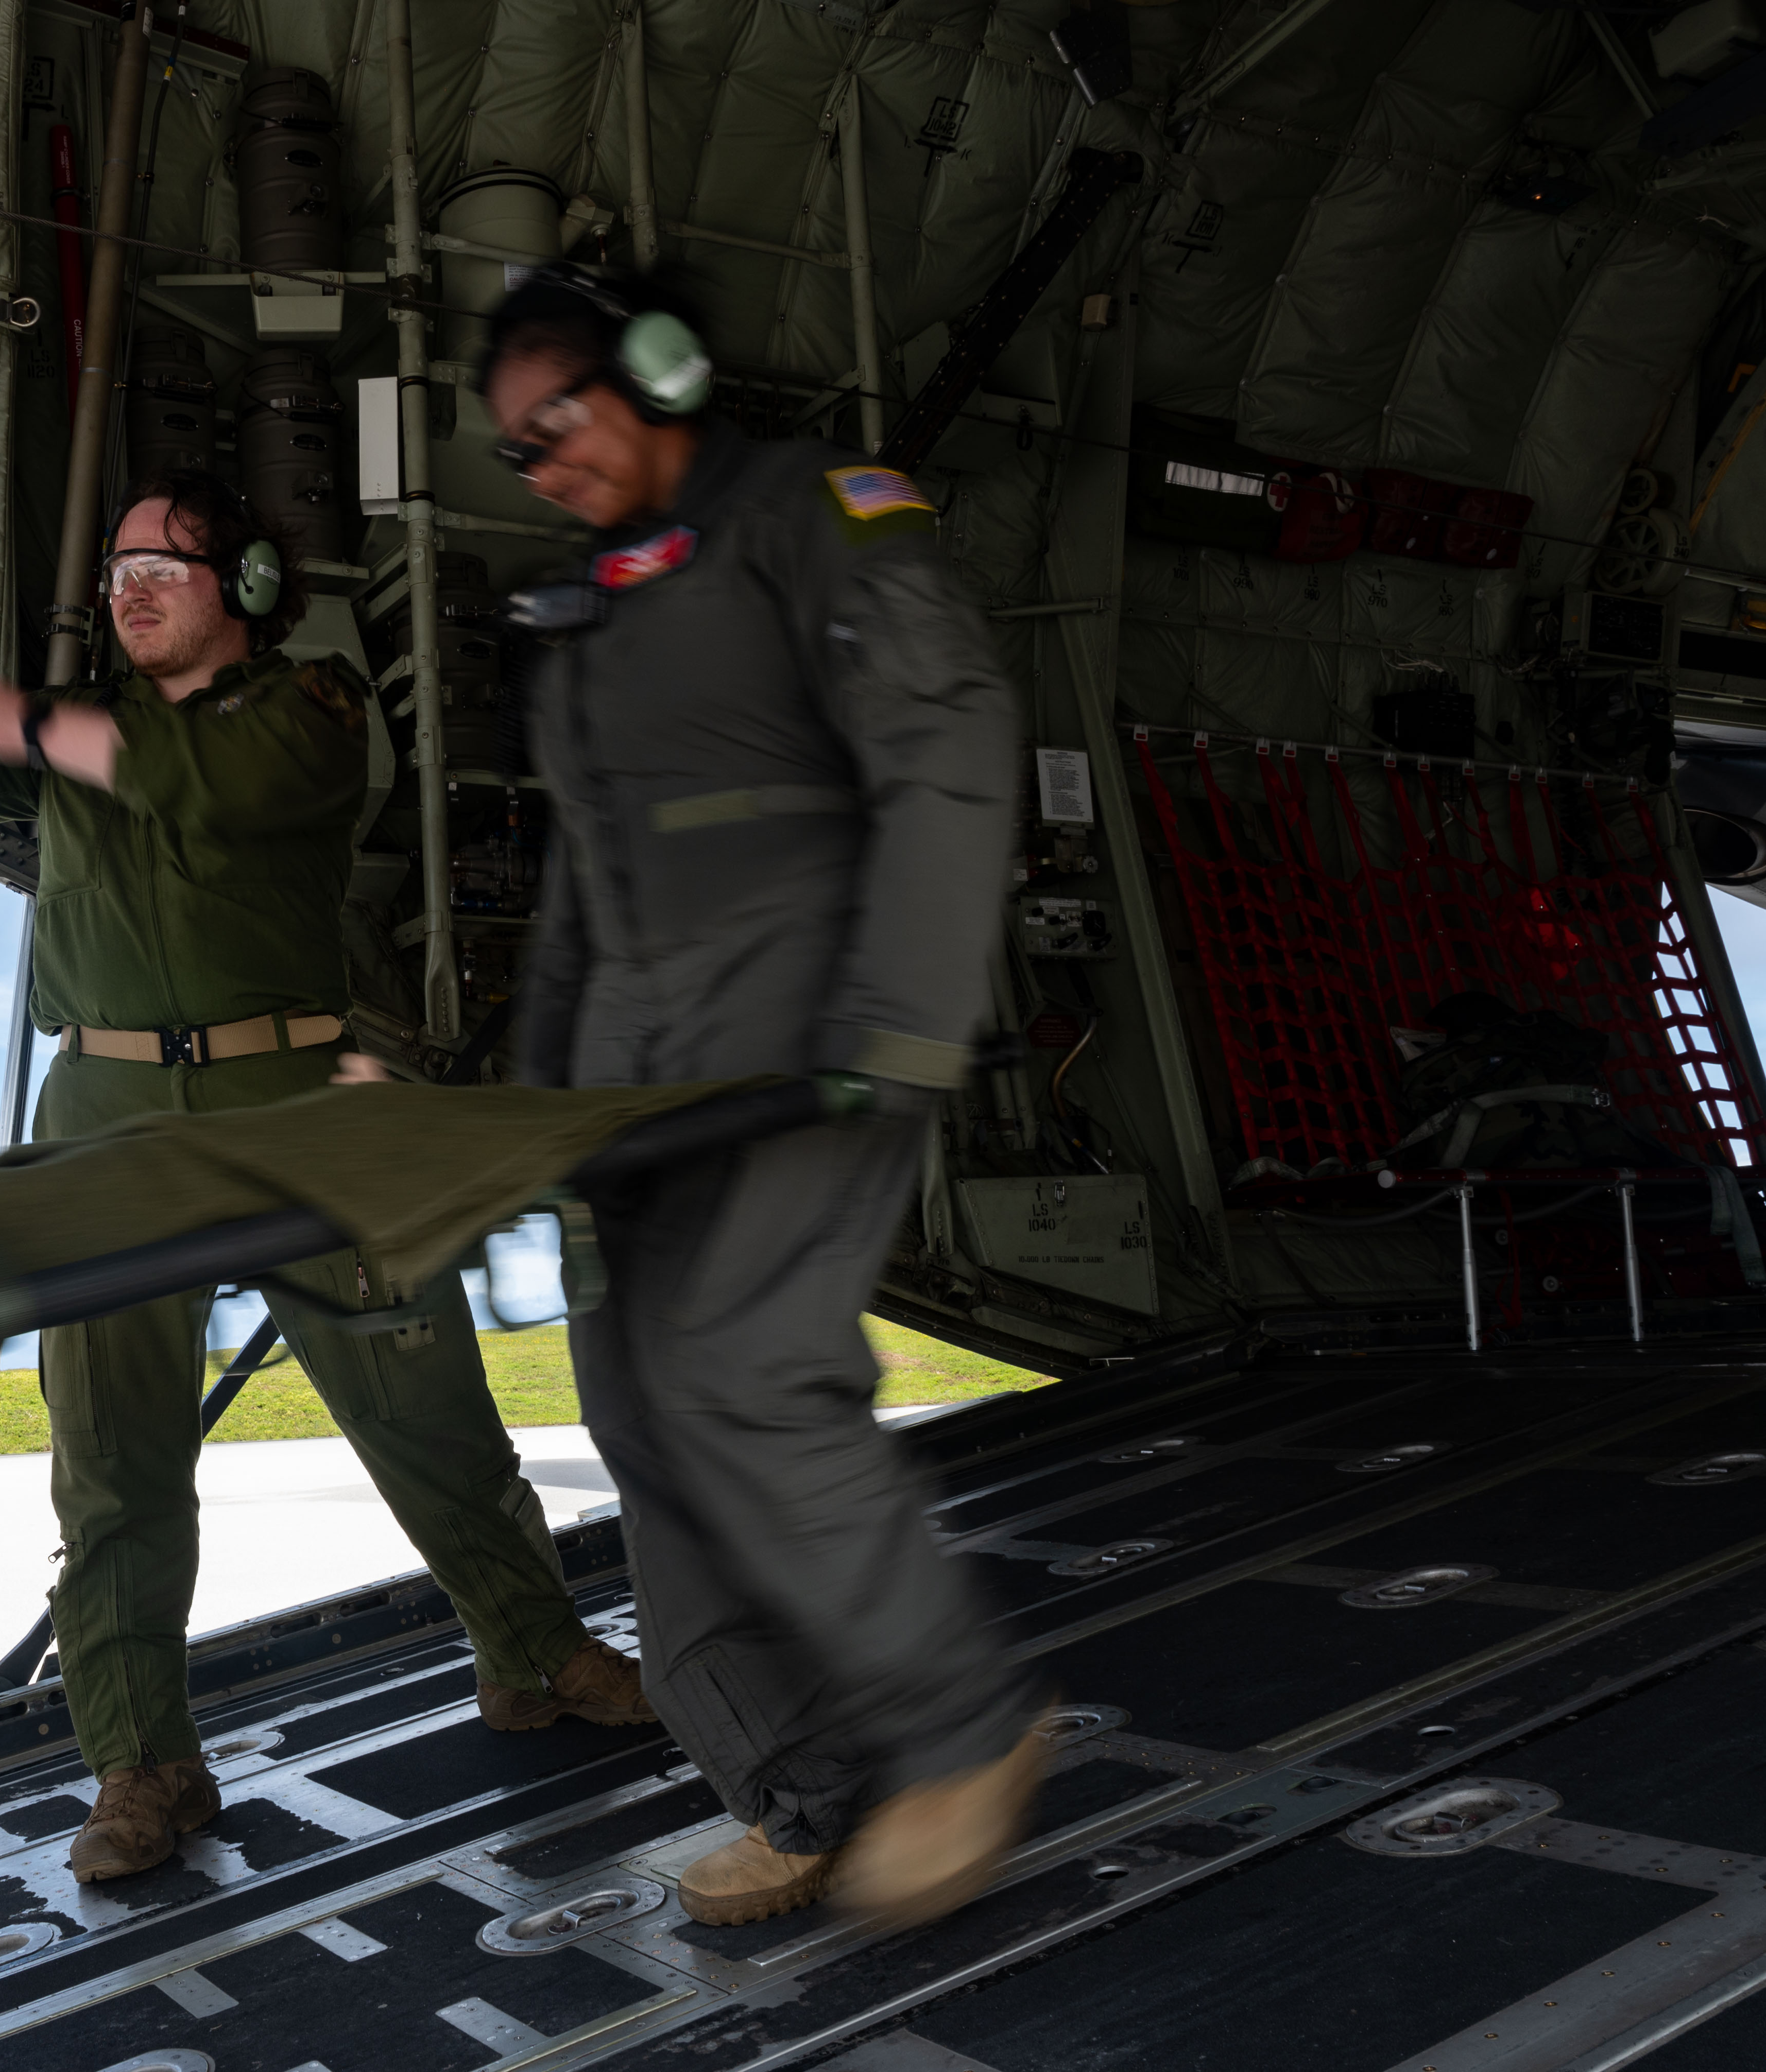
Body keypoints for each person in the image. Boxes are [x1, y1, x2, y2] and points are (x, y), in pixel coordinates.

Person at [0, 471, 650, 1884]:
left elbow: (223, 792)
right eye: (119, 566)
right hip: (106, 1113)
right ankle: (141, 1767)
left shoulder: (302, 712)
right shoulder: (86, 735)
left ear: (247, 591)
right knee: (112, 1461)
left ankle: (539, 1656)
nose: (132, 588)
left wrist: (29, 721)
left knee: (420, 1399)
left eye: (167, 566)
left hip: (297, 1096)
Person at [474, 267, 1047, 1929]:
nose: (541, 469)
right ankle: (801, 1790)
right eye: (513, 453)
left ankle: (966, 1726)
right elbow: (586, 882)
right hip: (645, 1079)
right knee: (642, 1407)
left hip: (819, 1028)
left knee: (740, 1365)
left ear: (654, 374)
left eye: (556, 426)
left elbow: (946, 734)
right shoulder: (590, 608)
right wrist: (541, 1115)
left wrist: (900, 1019)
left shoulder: (817, 511)